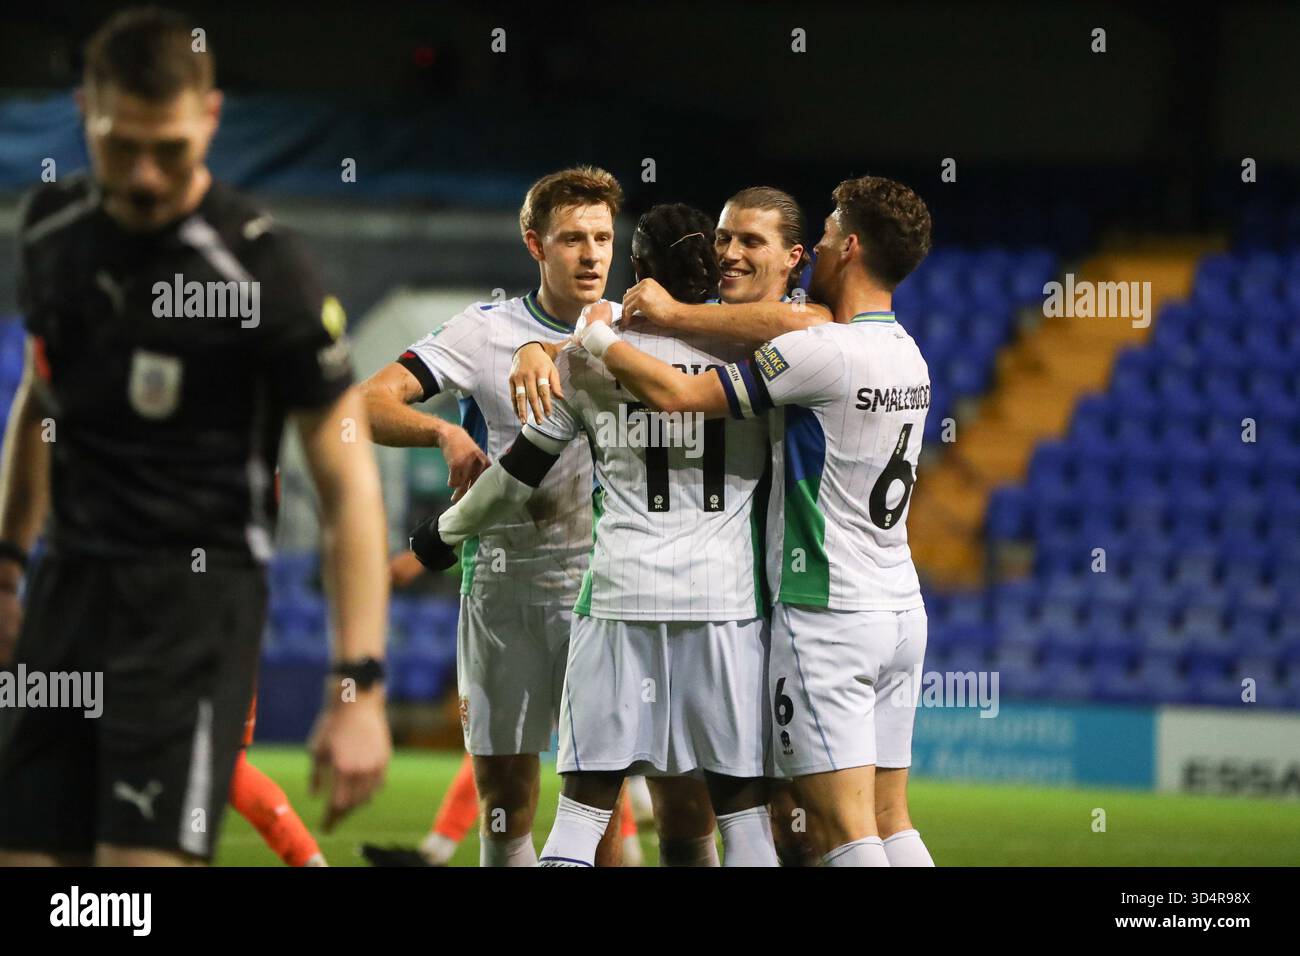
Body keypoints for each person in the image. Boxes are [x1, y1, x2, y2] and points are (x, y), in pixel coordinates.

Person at [0, 7, 390, 866]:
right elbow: (41, 397)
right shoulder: (52, 233)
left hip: (191, 615)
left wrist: (357, 684)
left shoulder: (265, 268)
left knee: (129, 891)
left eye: (170, 149)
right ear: (84, 113)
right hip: (66, 599)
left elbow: (348, 481)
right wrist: (5, 565)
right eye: (118, 145)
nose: (143, 176)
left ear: (210, 119)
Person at [569, 175, 937, 866]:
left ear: (817, 253)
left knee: (827, 826)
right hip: (883, 603)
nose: (731, 253)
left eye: (755, 241)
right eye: (724, 238)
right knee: (881, 819)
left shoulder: (811, 340)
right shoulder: (907, 353)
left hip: (810, 607)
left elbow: (689, 390)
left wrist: (601, 334)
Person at [415, 203, 781, 866]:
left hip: (618, 601)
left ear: (636, 270)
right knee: (740, 812)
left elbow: (514, 479)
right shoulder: (762, 357)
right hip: (725, 607)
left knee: (583, 813)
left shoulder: (587, 361)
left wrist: (441, 535)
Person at [358, 166, 627, 866]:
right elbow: (368, 402)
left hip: (603, 593)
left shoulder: (631, 329)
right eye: (573, 238)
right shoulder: (483, 333)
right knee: (505, 803)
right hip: (501, 592)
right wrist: (443, 433)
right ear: (536, 245)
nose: (593, 254)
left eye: (602, 236)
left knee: (599, 803)